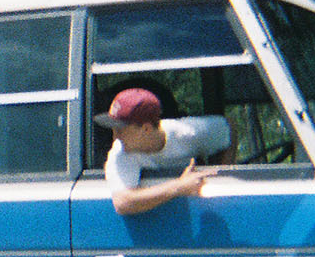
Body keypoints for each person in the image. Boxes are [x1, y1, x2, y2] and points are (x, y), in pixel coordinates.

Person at [97, 86, 233, 216]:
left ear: (146, 129)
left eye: (120, 130)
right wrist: (179, 187)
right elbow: (123, 203)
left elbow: (229, 127)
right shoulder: (120, 152)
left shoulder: (186, 132)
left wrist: (222, 172)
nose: (115, 137)